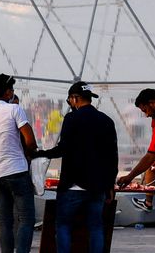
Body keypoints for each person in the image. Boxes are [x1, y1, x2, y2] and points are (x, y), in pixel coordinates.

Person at [37, 82, 116, 253]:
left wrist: (40, 154)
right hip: (97, 186)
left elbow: (63, 148)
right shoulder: (106, 121)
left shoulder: (72, 119)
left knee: (64, 226)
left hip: (72, 185)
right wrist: (110, 185)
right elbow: (112, 157)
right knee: (96, 227)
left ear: (74, 98)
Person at [0, 75, 36, 253]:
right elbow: (30, 140)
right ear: (7, 92)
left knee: (4, 219)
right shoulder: (14, 109)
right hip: (16, 170)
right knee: (26, 218)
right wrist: (29, 153)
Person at [118, 87, 155, 252]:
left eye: (146, 110)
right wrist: (130, 176)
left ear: (153, 103)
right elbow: (150, 156)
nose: (146, 115)